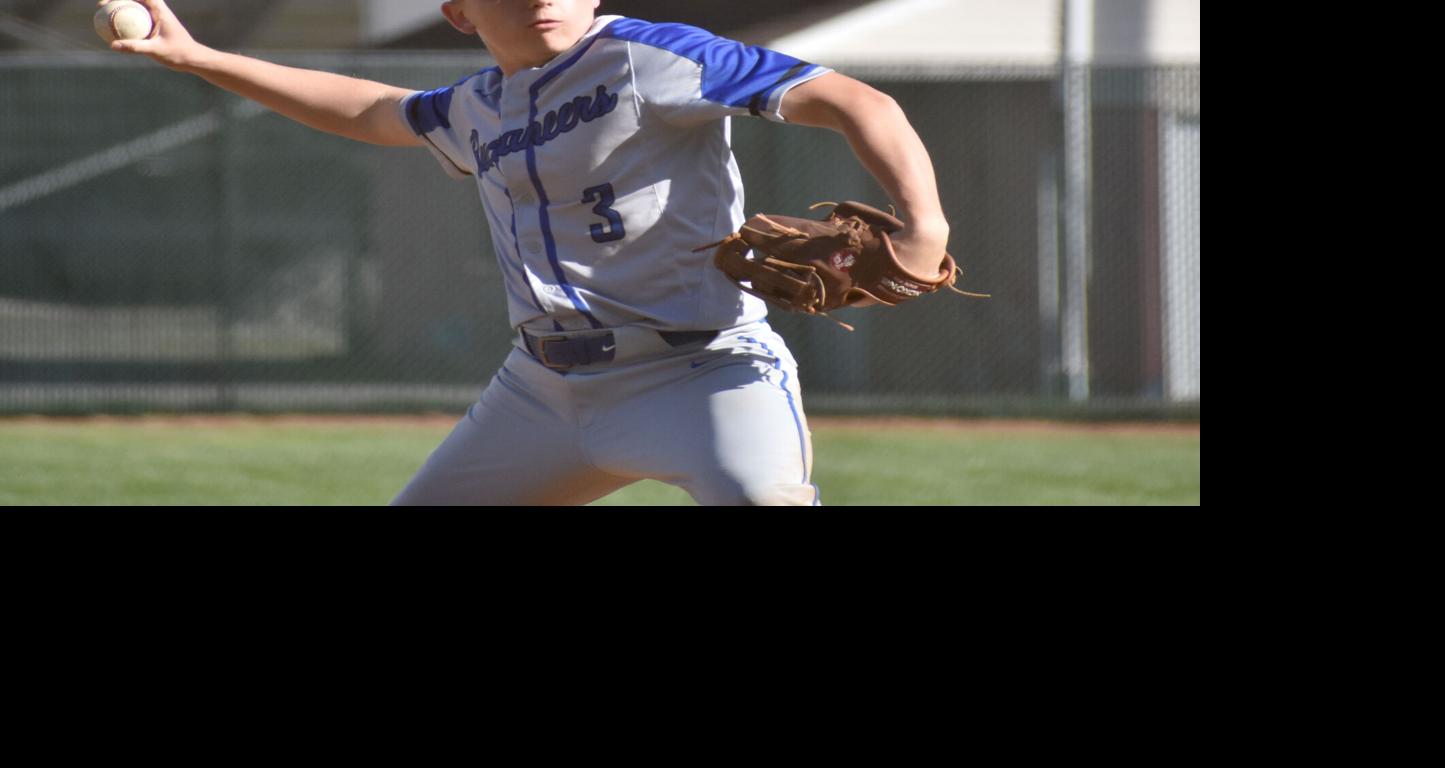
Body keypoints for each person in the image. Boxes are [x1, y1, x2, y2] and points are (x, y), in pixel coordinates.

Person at [107, 0, 954, 505]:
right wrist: (196, 56)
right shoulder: (477, 105)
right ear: (459, 11)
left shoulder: (650, 56)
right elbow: (367, 108)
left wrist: (925, 225)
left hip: (700, 374)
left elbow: (856, 101)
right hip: (539, 391)